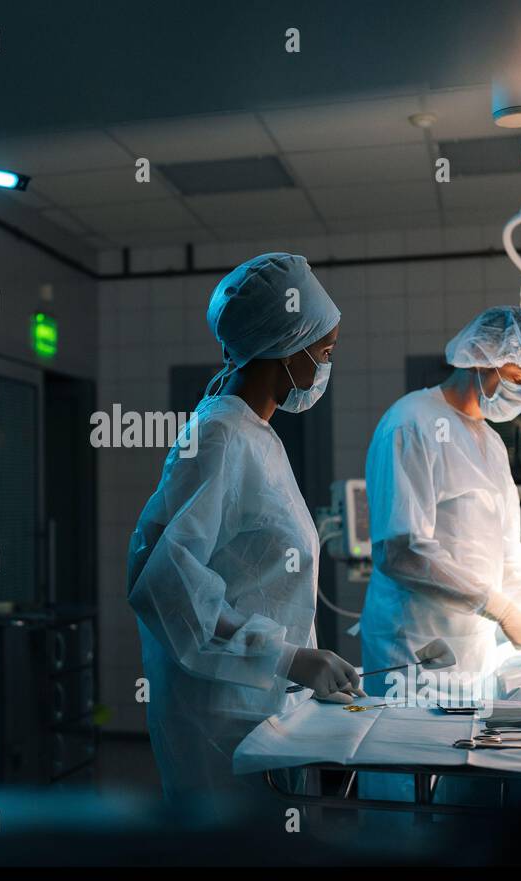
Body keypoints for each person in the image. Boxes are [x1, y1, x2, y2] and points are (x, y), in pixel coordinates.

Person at [126, 252, 357, 802]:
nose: (327, 364)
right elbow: (165, 585)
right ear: (286, 347)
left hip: (257, 701)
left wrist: (297, 661)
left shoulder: (256, 434)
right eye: (325, 351)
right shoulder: (220, 435)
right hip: (221, 718)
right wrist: (286, 658)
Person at [356, 305, 521, 697]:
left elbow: (509, 555)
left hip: (472, 645)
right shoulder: (410, 423)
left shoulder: (491, 444)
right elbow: (402, 552)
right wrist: (501, 609)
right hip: (414, 645)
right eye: (519, 378)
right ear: (482, 362)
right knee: (410, 754)